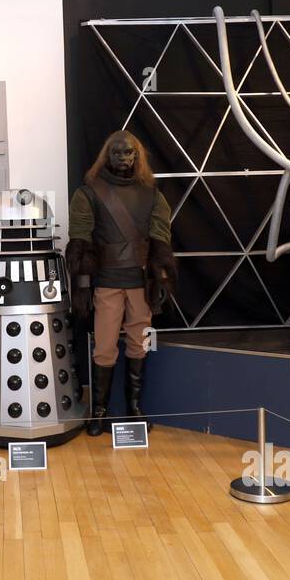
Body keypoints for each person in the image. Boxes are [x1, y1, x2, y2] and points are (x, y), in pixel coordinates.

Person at [66, 131, 176, 437]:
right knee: (104, 346)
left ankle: (134, 409)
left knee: (138, 345)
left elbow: (160, 240)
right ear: (107, 155)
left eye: (129, 153)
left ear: (137, 156)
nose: (123, 158)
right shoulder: (88, 193)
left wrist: (163, 277)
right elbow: (81, 242)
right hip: (107, 282)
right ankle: (99, 411)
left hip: (140, 282)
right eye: (117, 153)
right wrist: (84, 286)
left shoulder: (153, 194)